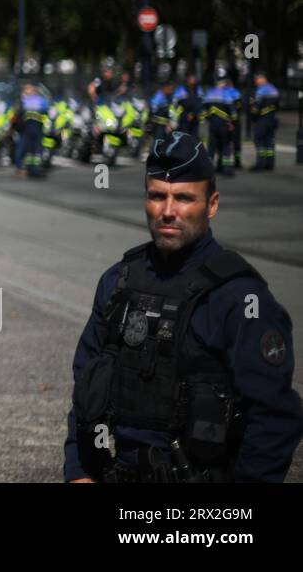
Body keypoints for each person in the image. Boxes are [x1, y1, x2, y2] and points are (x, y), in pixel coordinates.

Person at [64, 131, 301, 483]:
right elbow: (85, 387)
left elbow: (274, 418)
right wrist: (80, 472)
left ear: (213, 204)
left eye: (184, 198)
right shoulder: (118, 283)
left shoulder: (240, 298)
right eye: (158, 196)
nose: (169, 211)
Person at [203, 70, 238, 178]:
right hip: (225, 125)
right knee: (226, 146)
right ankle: (226, 170)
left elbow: (203, 111)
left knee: (212, 147)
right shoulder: (227, 93)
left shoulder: (209, 93)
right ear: (223, 82)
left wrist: (209, 119)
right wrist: (233, 123)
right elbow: (233, 112)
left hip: (213, 125)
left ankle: (208, 170)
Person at [14, 82, 49, 178]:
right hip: (26, 129)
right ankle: (27, 169)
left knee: (35, 151)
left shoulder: (36, 100)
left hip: (36, 129)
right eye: (28, 89)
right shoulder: (24, 101)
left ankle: (34, 169)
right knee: (26, 150)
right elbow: (18, 114)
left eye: (31, 89)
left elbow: (45, 111)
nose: (30, 91)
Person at [249, 71, 280, 172]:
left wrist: (253, 116)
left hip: (262, 119)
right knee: (269, 142)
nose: (256, 82)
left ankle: (260, 164)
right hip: (272, 119)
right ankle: (270, 164)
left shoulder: (261, 90)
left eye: (257, 79)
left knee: (259, 141)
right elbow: (278, 105)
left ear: (262, 79)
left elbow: (256, 107)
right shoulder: (274, 89)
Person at [173, 72, 203, 137]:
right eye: (191, 78)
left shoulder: (198, 89)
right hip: (184, 117)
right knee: (184, 135)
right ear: (187, 79)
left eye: (194, 78)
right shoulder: (181, 89)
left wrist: (194, 113)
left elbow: (200, 102)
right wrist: (186, 114)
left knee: (194, 136)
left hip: (195, 116)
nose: (193, 80)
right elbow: (177, 103)